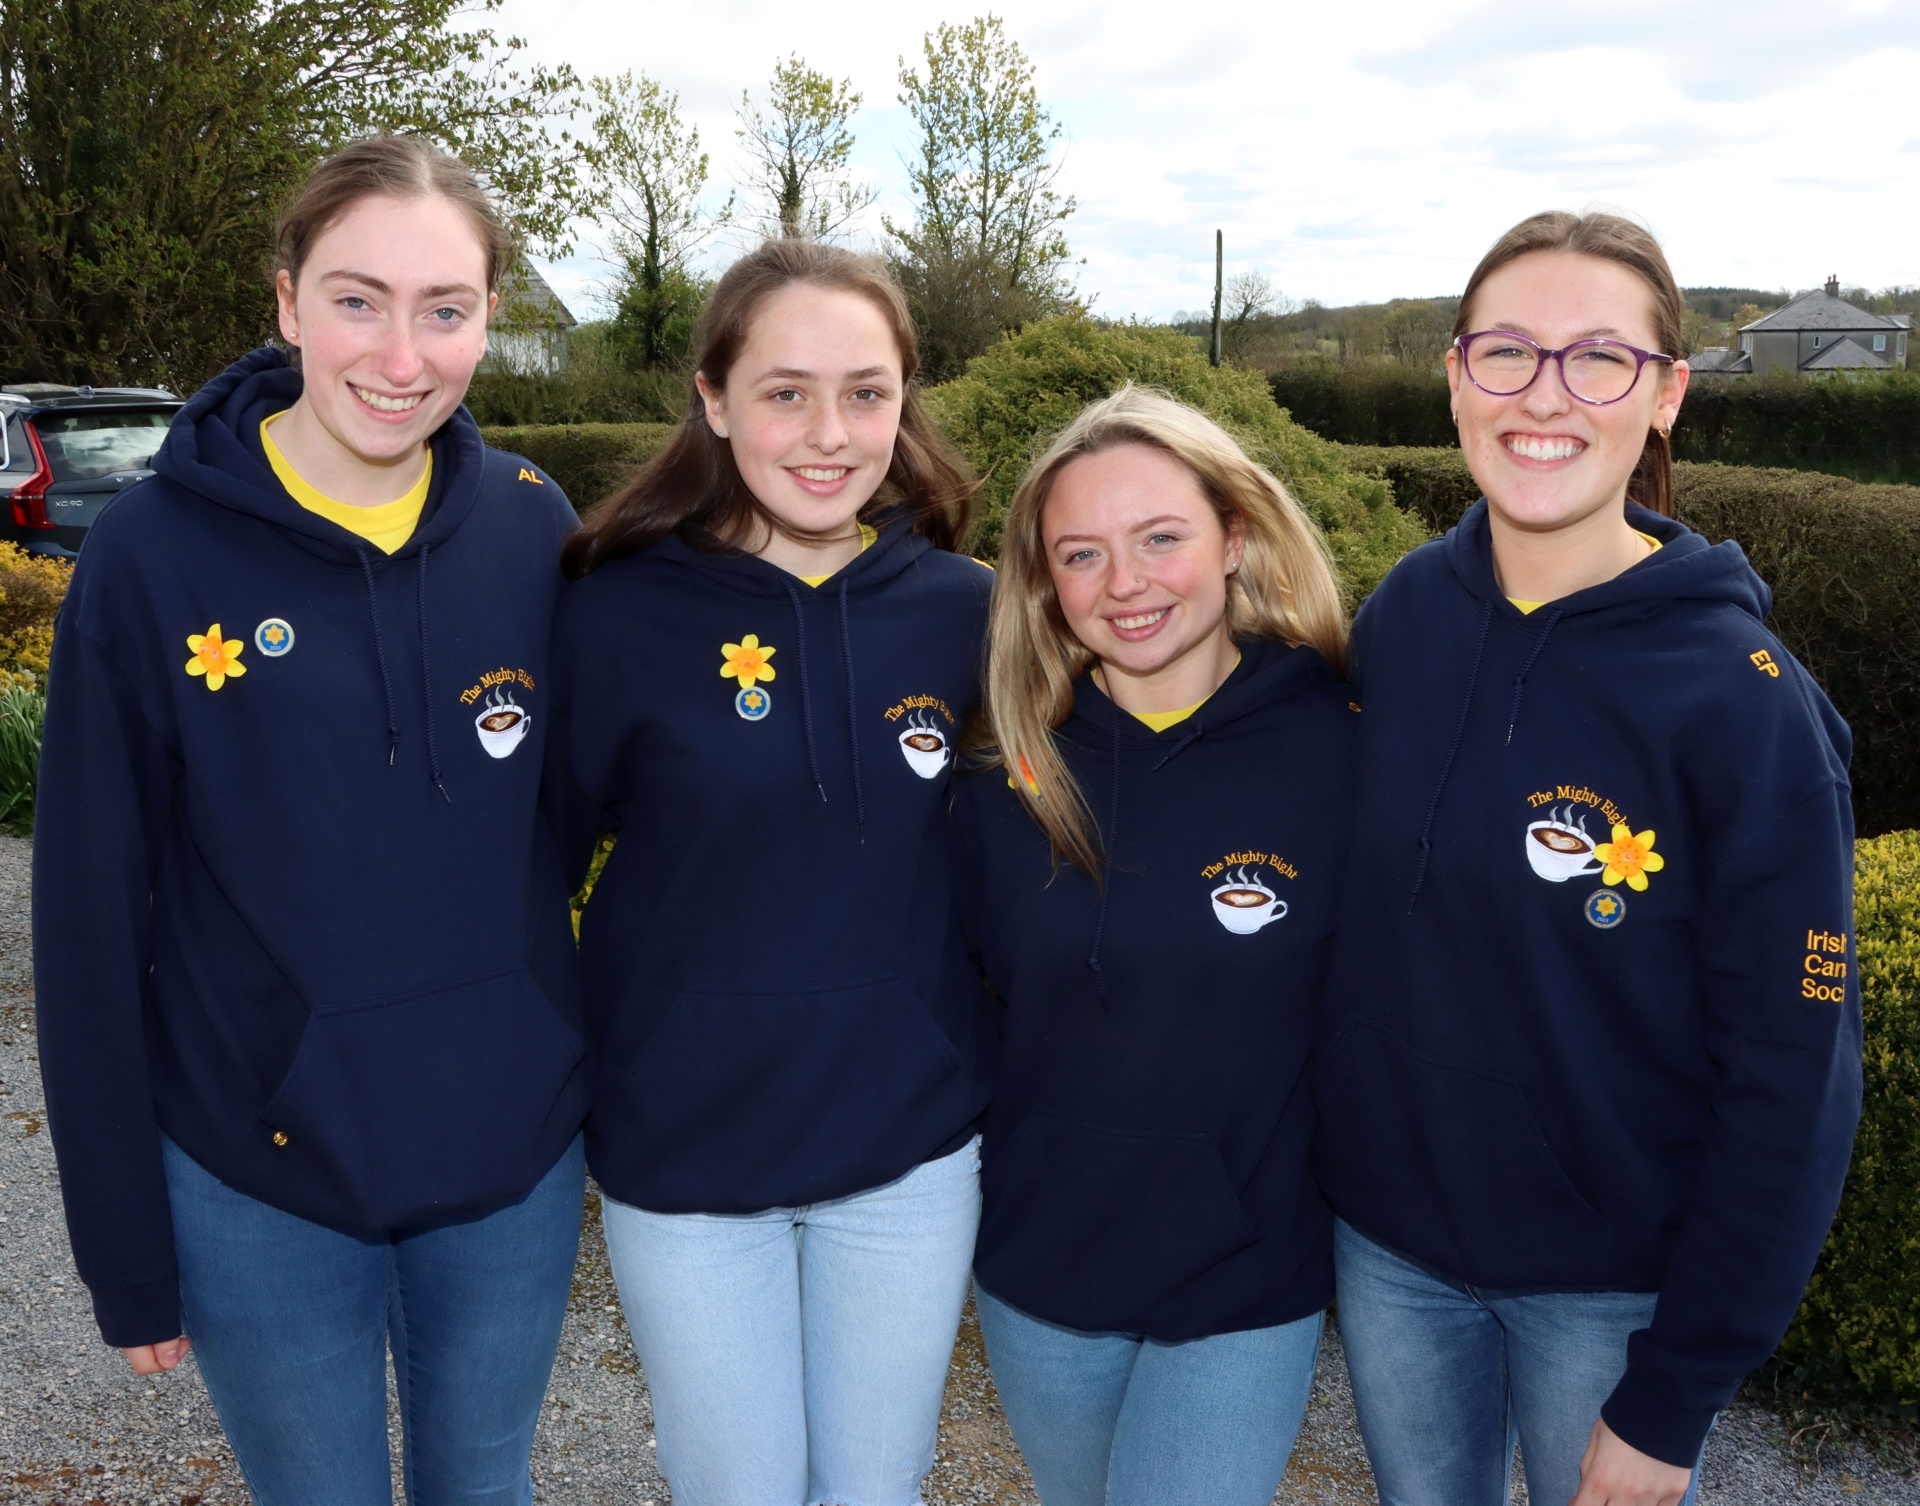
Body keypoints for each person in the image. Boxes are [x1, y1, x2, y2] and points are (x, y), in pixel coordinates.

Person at [33, 135, 588, 1506]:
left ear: (486, 320)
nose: (401, 354)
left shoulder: (534, 528)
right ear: (285, 301)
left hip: (507, 1168)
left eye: (445, 309)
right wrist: (124, 1244)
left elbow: (591, 825)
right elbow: (89, 923)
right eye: (357, 298)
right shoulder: (151, 557)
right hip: (256, 1176)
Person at [1314, 210, 1862, 1506]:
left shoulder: (1750, 707)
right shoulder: (1401, 619)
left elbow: (1795, 1080)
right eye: (1507, 351)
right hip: (1389, 1254)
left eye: (1599, 358)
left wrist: (1675, 1392)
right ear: (1455, 376)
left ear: (1665, 395)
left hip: (1608, 1293)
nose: (1545, 394)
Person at [550, 239, 991, 1506]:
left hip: (906, 1151)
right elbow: (529, 872)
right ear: (713, 396)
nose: (829, 432)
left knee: (873, 1490)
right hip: (685, 1156)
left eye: (866, 391)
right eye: (785, 390)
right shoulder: (610, 611)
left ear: (905, 401)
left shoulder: (966, 611)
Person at [950, 386, 1355, 1506]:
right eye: (1081, 555)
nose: (1124, 584)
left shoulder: (1345, 744)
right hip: (1043, 1271)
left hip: (1243, 1273)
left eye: (1160, 538)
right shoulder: (1004, 772)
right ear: (1044, 582)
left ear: (1235, 534)